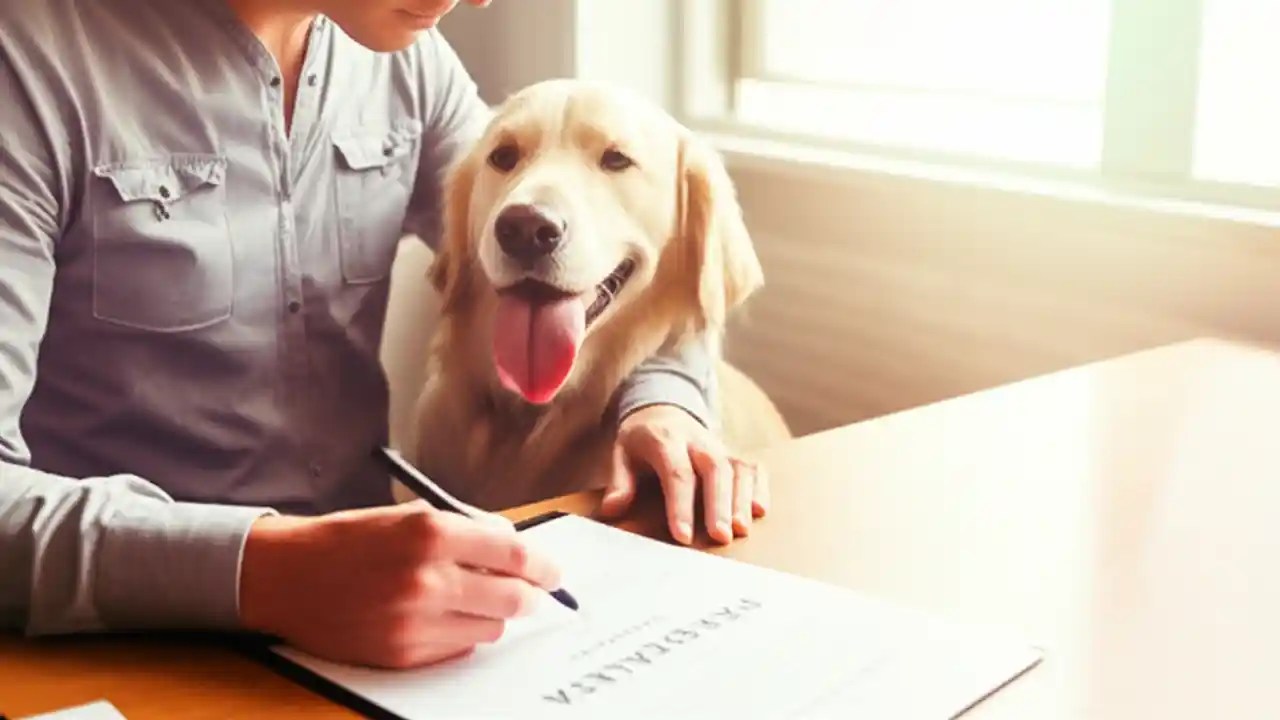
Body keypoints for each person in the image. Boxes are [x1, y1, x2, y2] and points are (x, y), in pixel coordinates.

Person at [0, 0, 763, 668]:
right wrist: (268, 573)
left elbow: (606, 253)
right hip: (114, 643)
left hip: (395, 628)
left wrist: (664, 401)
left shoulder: (411, 68)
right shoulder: (28, 60)